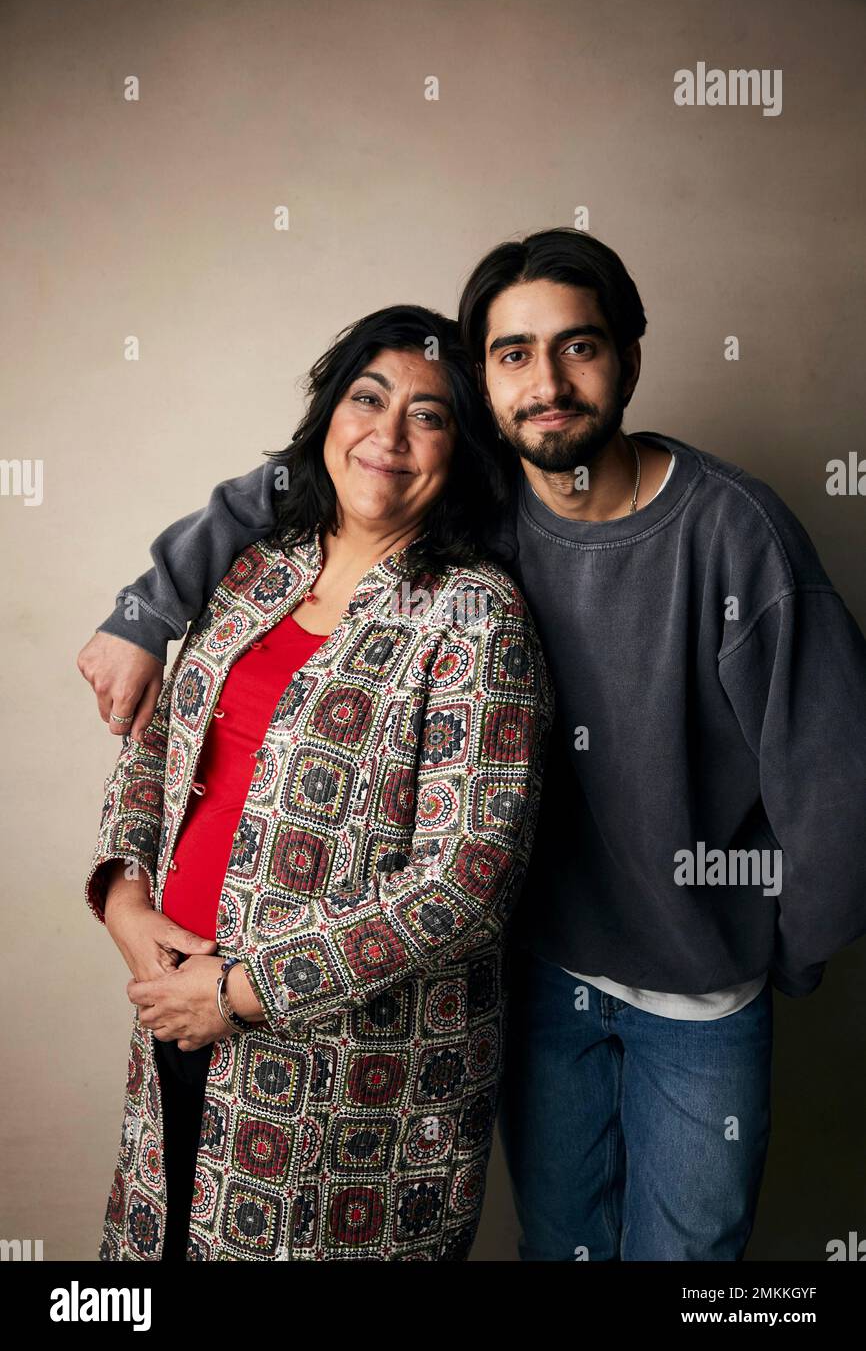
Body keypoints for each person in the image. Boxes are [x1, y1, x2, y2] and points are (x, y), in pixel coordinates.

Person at [79, 230, 866, 1261]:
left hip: (685, 997)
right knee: (561, 1246)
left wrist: (773, 956)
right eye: (510, 354)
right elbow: (279, 493)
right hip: (540, 973)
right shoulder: (446, 520)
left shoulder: (701, 541)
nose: (545, 382)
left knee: (686, 1260)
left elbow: (834, 774)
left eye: (577, 347)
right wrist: (145, 615)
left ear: (626, 353)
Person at [82, 304, 554, 1262]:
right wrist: (126, 901)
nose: (386, 434)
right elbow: (157, 752)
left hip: (345, 1076)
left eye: (428, 415)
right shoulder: (258, 569)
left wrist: (242, 991)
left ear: (460, 450)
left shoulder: (475, 616)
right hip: (170, 1005)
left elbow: (463, 887)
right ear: (326, 416)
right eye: (366, 398)